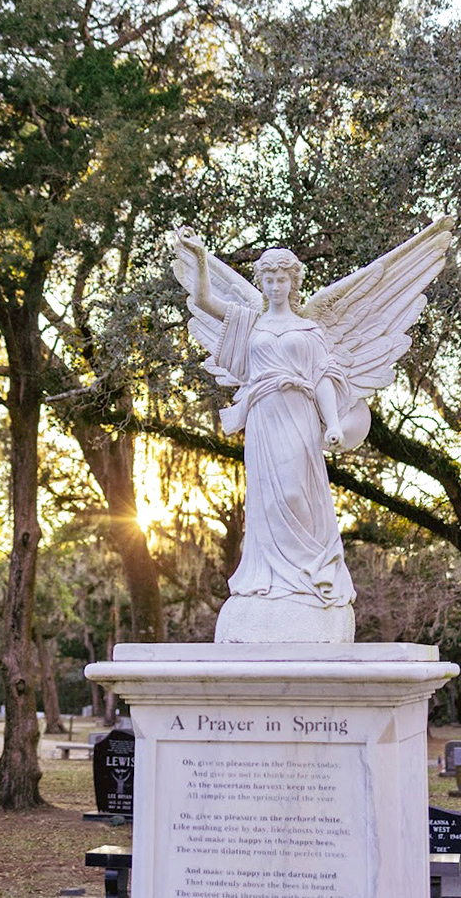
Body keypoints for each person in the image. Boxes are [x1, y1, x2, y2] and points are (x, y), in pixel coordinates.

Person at [176, 230, 356, 627]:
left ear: (293, 282)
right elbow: (204, 301)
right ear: (261, 282)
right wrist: (201, 256)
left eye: (282, 279)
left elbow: (323, 377)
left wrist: (333, 422)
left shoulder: (309, 330)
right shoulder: (249, 323)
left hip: (299, 414)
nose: (275, 286)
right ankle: (273, 581)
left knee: (295, 492)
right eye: (269, 279)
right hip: (262, 417)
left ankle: (309, 576)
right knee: (267, 501)